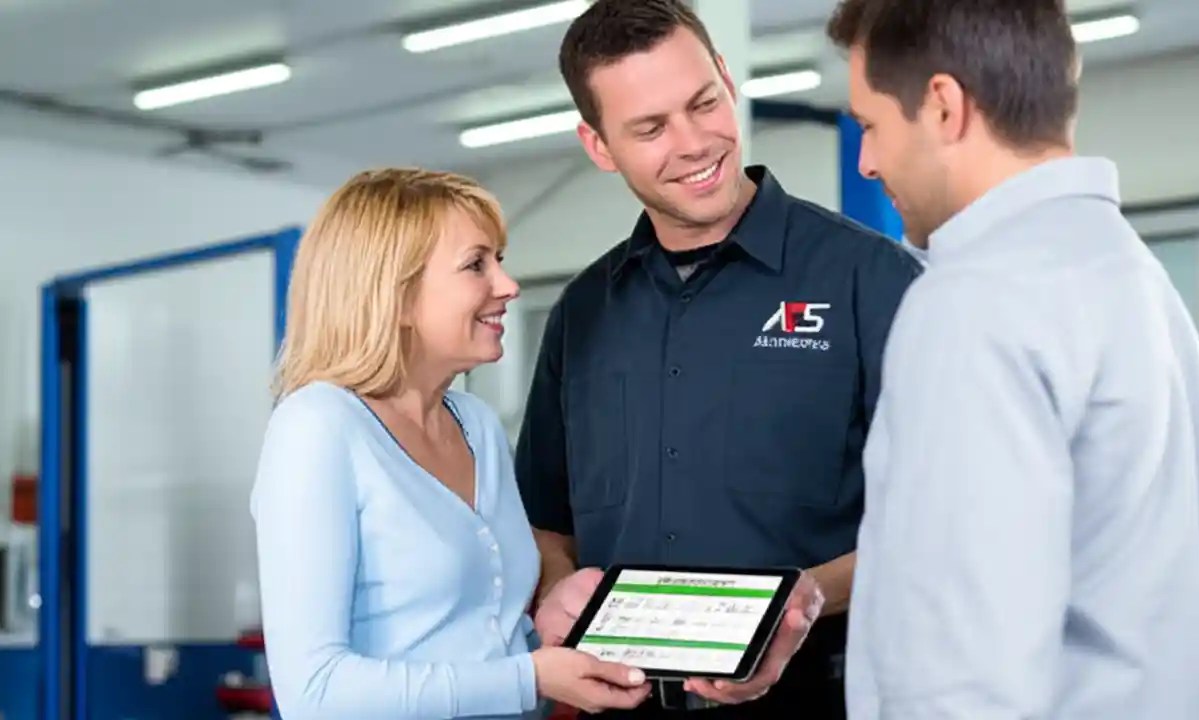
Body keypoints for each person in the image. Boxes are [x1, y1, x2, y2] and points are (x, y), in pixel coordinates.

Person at [514, 1, 922, 716]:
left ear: (728, 80)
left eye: (704, 103)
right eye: (650, 128)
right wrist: (556, 586)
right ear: (599, 145)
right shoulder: (582, 314)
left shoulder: (872, 281)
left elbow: (942, 516)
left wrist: (803, 601)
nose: (695, 143)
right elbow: (549, 519)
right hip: (622, 704)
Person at [825, 0, 1199, 717]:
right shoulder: (1131, 274)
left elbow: (959, 678)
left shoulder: (974, 301)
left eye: (870, 125)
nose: (867, 162)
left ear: (943, 107)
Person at [250, 168, 652, 719]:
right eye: (475, 265)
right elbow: (314, 692)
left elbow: (489, 636)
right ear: (395, 295)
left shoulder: (475, 424)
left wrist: (576, 622)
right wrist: (531, 678)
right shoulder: (318, 426)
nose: (508, 286)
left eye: (499, 260)